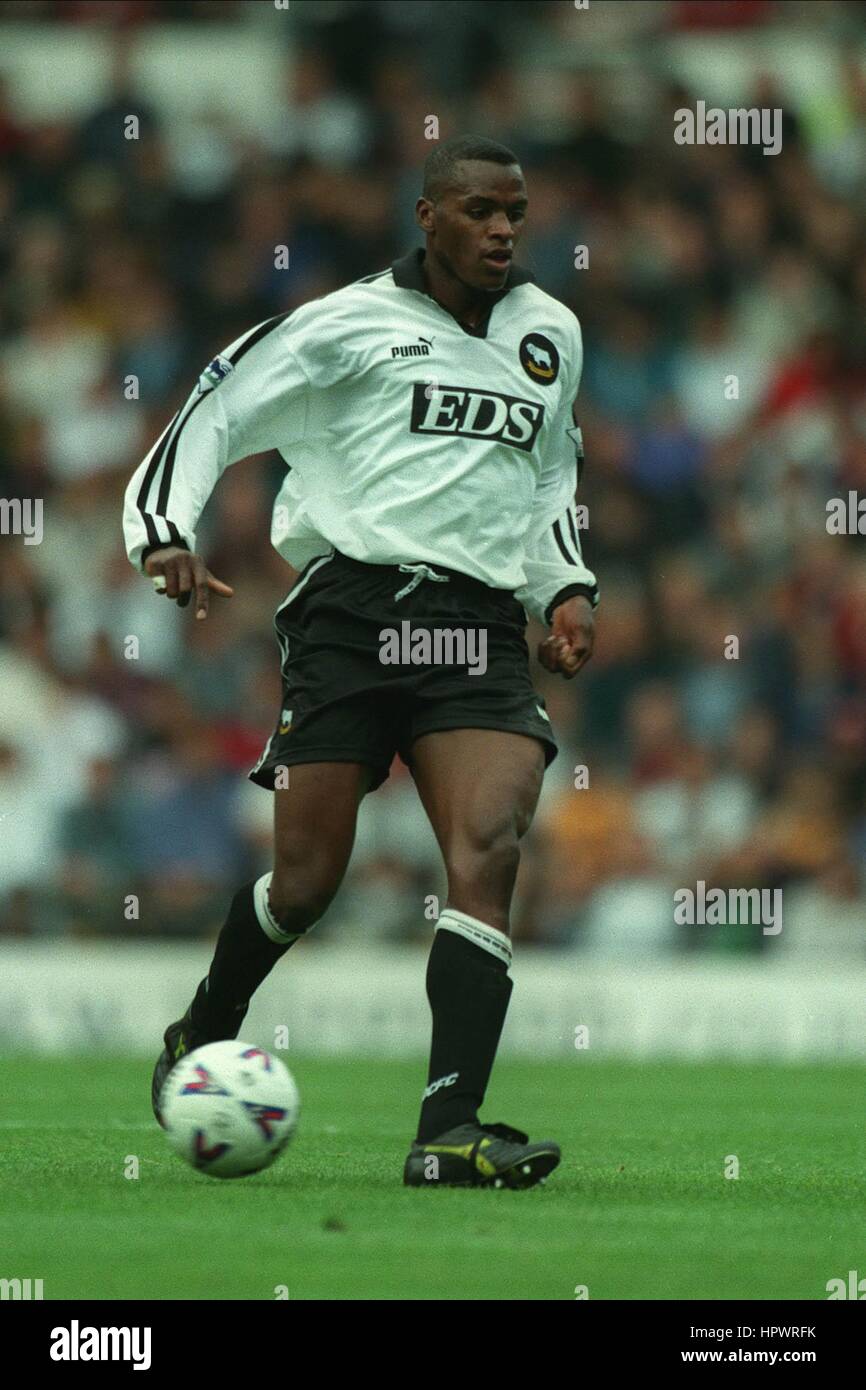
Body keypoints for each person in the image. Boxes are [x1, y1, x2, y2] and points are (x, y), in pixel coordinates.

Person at [123, 135, 598, 1189]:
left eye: (515, 211)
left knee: (489, 843)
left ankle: (446, 1132)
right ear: (427, 218)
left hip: (474, 628)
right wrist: (162, 528)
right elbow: (218, 402)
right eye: (479, 210)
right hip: (348, 612)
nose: (504, 230)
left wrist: (561, 586)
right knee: (304, 881)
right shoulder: (344, 325)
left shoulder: (548, 335)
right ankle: (204, 1024)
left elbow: (548, 478)